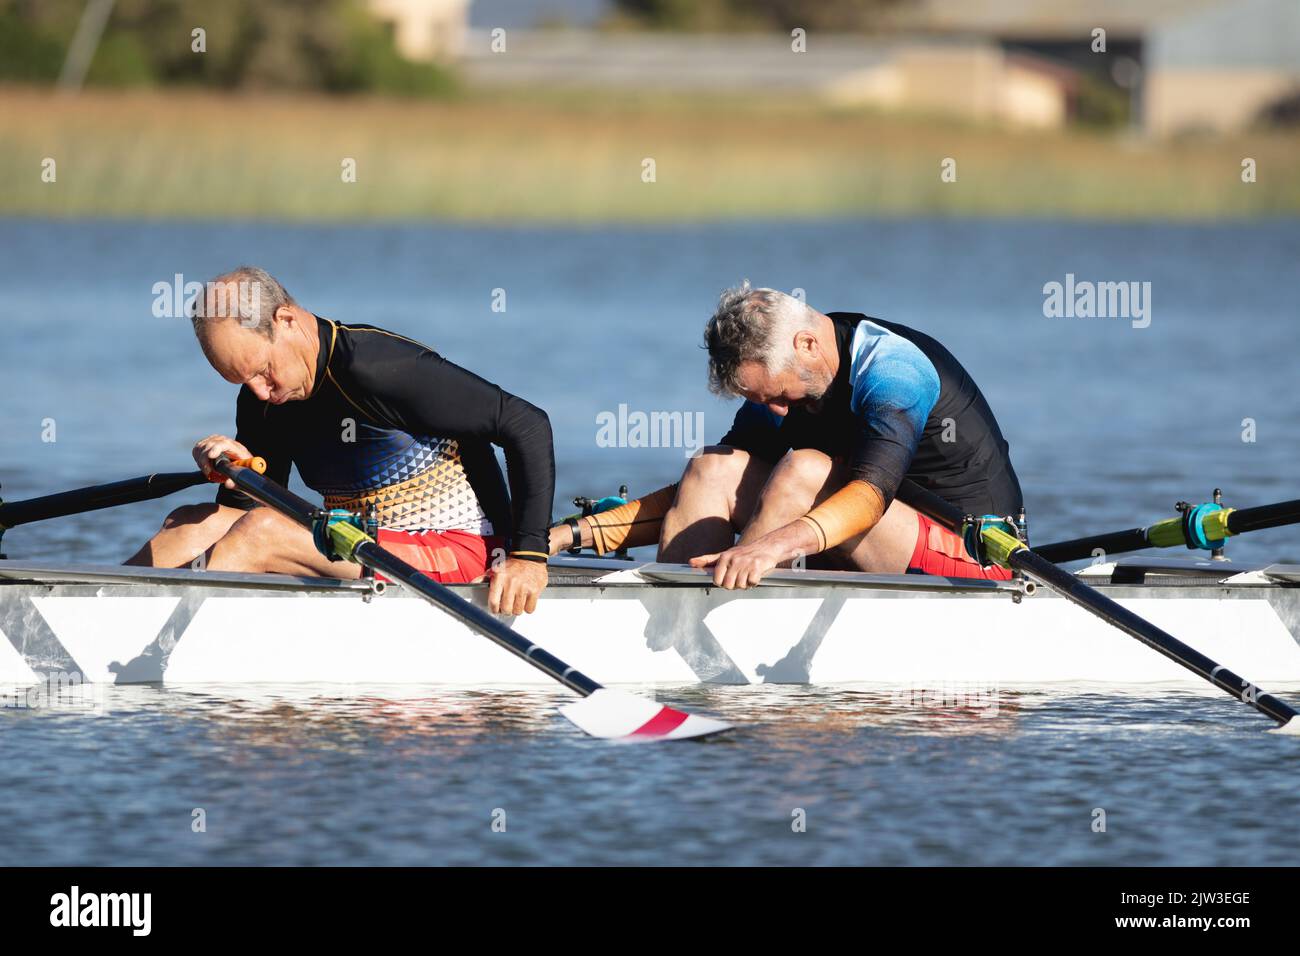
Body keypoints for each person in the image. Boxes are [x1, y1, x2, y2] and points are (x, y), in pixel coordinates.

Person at [128, 266, 555, 615]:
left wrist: (529, 558)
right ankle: (96, 609)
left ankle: (156, 634)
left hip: (462, 552)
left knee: (263, 533)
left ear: (287, 320)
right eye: (242, 380)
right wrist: (239, 474)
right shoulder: (262, 401)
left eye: (261, 370)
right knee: (190, 523)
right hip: (358, 544)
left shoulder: (379, 369)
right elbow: (250, 513)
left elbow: (528, 425)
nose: (259, 390)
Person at [551, 283, 1023, 589]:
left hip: (972, 557)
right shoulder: (782, 386)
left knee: (803, 470)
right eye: (759, 400)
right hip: (866, 540)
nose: (775, 412)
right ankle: (676, 619)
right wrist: (569, 535)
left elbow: (869, 499)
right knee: (711, 467)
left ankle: (729, 613)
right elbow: (699, 494)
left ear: (808, 345)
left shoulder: (894, 371)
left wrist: (771, 547)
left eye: (779, 395)